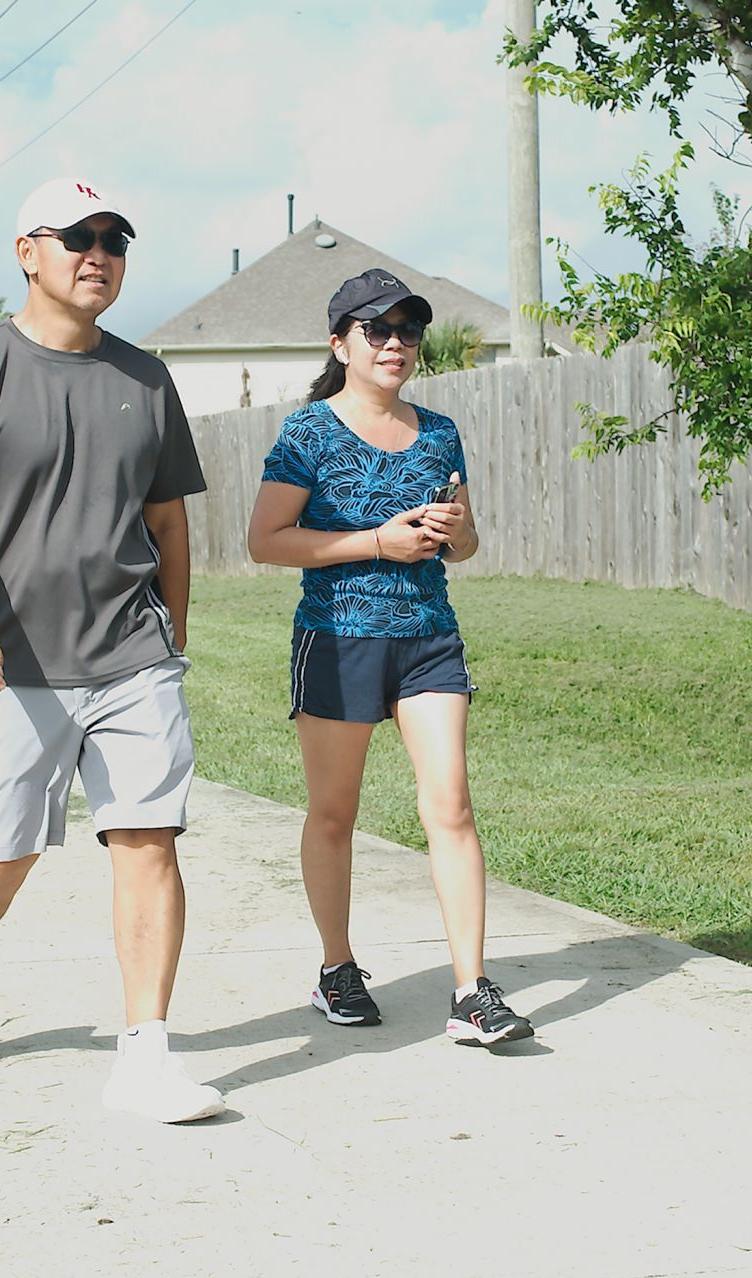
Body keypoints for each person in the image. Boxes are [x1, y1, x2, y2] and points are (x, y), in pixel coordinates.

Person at [0, 177, 223, 1123]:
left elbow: (168, 521)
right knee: (0, 853)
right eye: (78, 236)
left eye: (115, 240)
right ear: (27, 252)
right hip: (16, 665)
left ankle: (145, 1055)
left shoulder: (146, 378)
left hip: (132, 654)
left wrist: (171, 633)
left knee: (149, 838)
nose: (99, 254)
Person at [246, 269, 534, 1047]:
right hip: (337, 639)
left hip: (428, 639)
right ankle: (336, 967)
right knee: (335, 812)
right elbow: (265, 540)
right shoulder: (308, 432)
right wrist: (378, 540)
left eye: (408, 330)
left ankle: (471, 991)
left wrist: (457, 532)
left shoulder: (439, 431)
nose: (395, 343)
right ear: (340, 344)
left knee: (452, 806)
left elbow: (465, 545)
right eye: (376, 329)